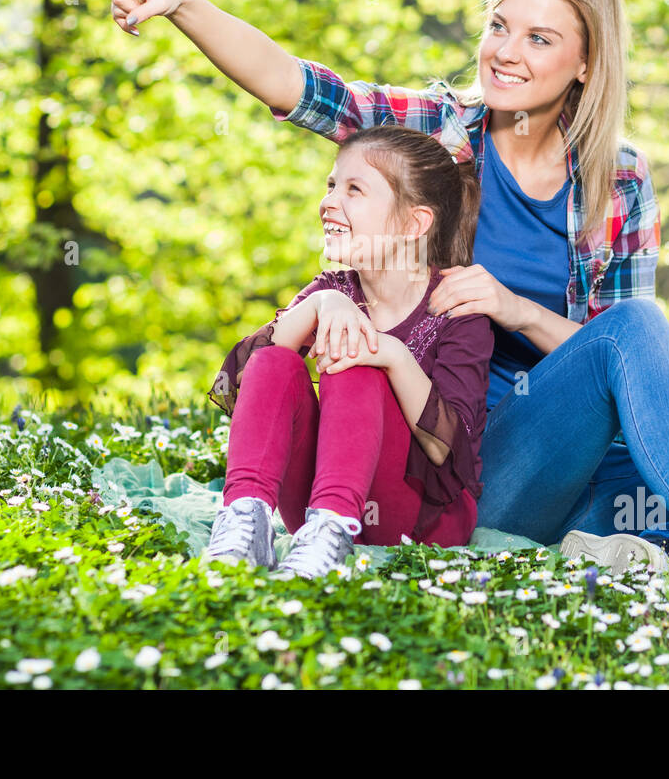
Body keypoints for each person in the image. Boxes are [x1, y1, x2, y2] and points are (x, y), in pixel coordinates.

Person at [101, 0, 669, 638]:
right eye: (498, 27)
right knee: (643, 335)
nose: (505, 52)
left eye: (538, 37)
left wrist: (514, 308)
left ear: (586, 63)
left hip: (587, 455)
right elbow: (307, 89)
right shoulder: (441, 131)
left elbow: (622, 357)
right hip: (477, 456)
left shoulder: (621, 179)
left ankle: (636, 544)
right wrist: (185, 5)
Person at [202, 125, 493, 579]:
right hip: (313, 507)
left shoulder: (456, 308)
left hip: (421, 516)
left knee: (352, 354)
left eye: (354, 189)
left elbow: (446, 452)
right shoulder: (334, 289)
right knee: (279, 356)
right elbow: (244, 378)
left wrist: (391, 354)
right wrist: (320, 305)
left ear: (414, 224)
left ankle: (334, 527)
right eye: (331, 185)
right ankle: (245, 520)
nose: (329, 202)